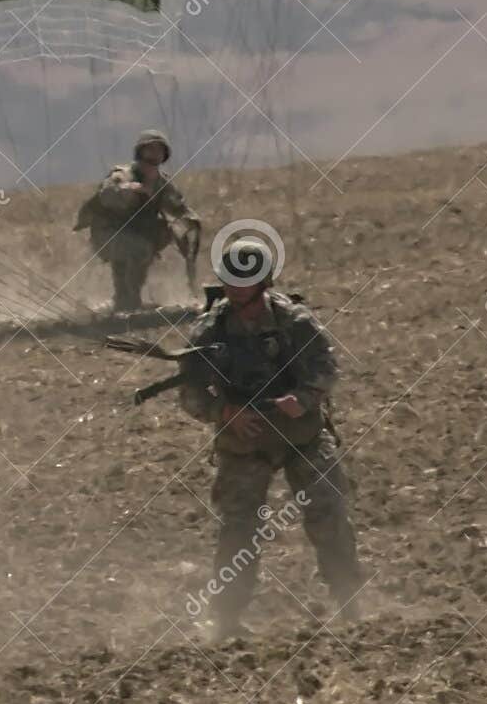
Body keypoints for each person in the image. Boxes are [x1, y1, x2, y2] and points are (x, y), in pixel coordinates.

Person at [179, 236, 365, 638]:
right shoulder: (209, 330)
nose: (233, 288)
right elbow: (190, 394)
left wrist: (304, 397)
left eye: (242, 280)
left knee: (328, 513)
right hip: (245, 443)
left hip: (303, 436)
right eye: (229, 280)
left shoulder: (294, 322)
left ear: (263, 281)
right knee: (239, 529)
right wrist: (223, 413)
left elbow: (327, 368)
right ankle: (227, 620)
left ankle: (352, 606)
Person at [74, 131, 199, 313]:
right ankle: (128, 302)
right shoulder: (123, 174)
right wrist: (129, 191)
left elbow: (178, 208)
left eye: (159, 149)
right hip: (107, 234)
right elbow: (107, 195)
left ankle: (125, 302)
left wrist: (190, 222)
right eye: (151, 148)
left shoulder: (162, 183)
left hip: (134, 235)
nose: (155, 153)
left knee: (158, 236)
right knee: (138, 249)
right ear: (141, 151)